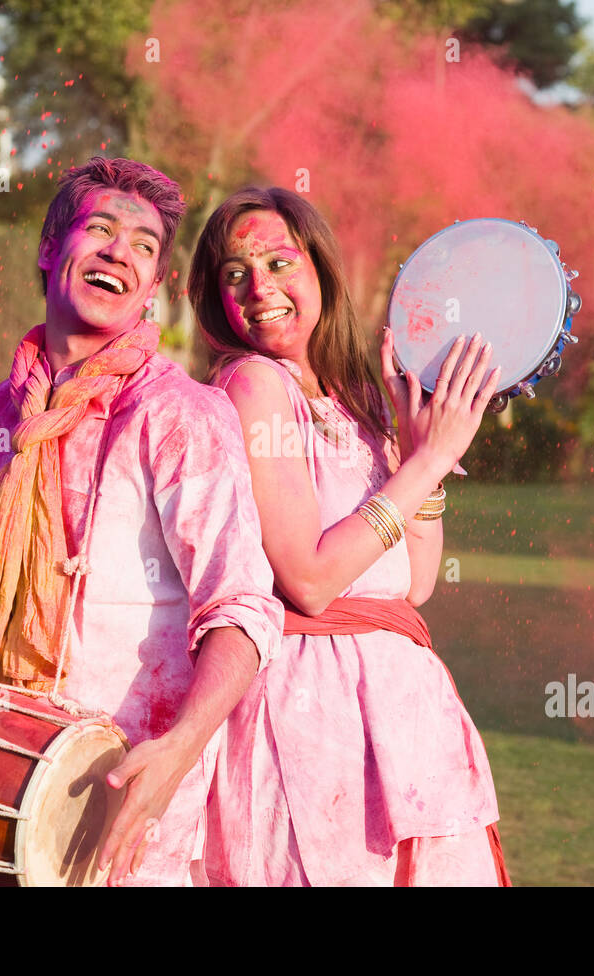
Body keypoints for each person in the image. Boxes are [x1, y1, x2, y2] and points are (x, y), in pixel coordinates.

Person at [0, 158, 283, 887]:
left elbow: (244, 609)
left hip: (123, 794)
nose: (118, 253)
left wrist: (179, 749)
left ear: (155, 288)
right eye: (99, 230)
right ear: (49, 251)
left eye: (142, 246)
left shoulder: (180, 416)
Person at [188, 186, 509, 886]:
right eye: (235, 274)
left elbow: (415, 585)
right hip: (312, 711)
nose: (258, 287)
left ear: (321, 271)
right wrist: (424, 462)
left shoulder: (356, 399)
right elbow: (307, 576)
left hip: (405, 710)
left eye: (278, 262)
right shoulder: (252, 385)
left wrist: (423, 461)